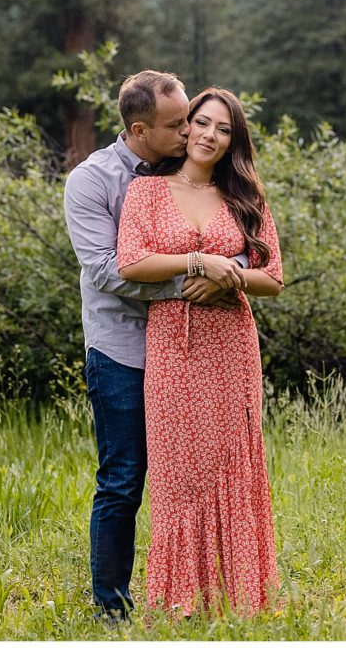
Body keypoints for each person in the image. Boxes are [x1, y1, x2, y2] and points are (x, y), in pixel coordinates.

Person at [62, 70, 243, 620]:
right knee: (123, 477)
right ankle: (111, 608)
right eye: (178, 123)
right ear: (140, 130)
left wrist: (226, 267)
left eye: (192, 117)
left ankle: (197, 597)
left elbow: (240, 245)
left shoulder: (190, 174)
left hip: (192, 351)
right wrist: (195, 279)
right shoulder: (93, 182)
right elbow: (107, 272)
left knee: (194, 475)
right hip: (122, 351)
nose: (192, 130)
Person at [117, 86, 283, 618]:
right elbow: (130, 263)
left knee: (230, 467)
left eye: (224, 129)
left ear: (234, 140)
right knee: (177, 470)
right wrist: (196, 262)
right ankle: (180, 599)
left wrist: (228, 280)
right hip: (172, 348)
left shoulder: (246, 198)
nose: (210, 135)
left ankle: (240, 595)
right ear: (185, 126)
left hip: (231, 348)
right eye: (202, 123)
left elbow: (273, 277)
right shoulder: (146, 193)